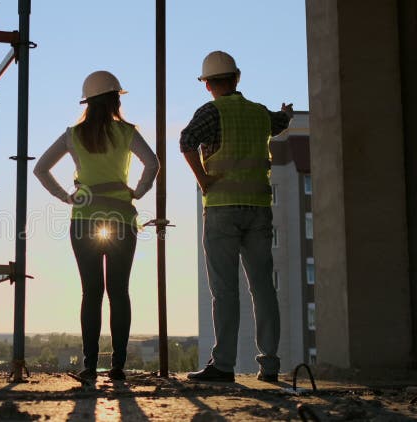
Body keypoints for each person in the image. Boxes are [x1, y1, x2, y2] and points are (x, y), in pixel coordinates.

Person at [33, 71, 159, 382]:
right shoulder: (128, 132)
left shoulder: (72, 135)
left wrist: (66, 197)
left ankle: (90, 365)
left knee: (91, 293)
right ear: (115, 98)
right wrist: (138, 191)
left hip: (84, 221)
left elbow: (40, 169)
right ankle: (118, 366)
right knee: (119, 292)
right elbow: (152, 163)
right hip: (122, 220)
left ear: (88, 102)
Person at [182, 51, 294, 383]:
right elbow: (281, 121)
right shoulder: (260, 115)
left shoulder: (210, 112)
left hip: (221, 211)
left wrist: (203, 180)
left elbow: (186, 141)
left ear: (207, 85)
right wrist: (286, 113)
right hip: (259, 210)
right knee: (263, 288)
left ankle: (224, 365)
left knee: (225, 291)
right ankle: (270, 365)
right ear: (238, 78)